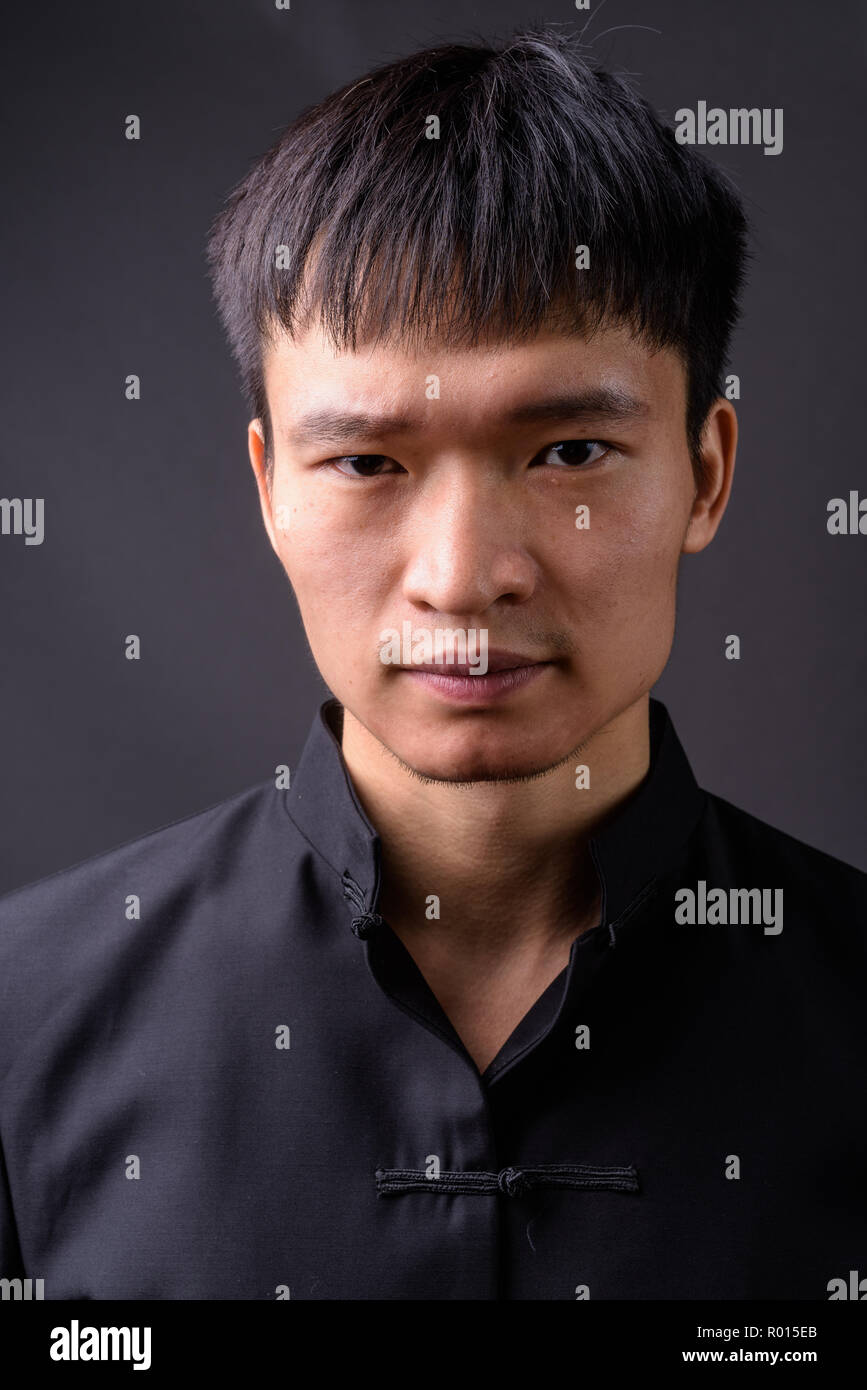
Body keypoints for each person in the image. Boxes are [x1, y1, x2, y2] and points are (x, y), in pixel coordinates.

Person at [1, 27, 864, 1302]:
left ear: (708, 469)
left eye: (569, 451)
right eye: (367, 462)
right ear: (270, 489)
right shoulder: (22, 1018)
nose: (462, 577)